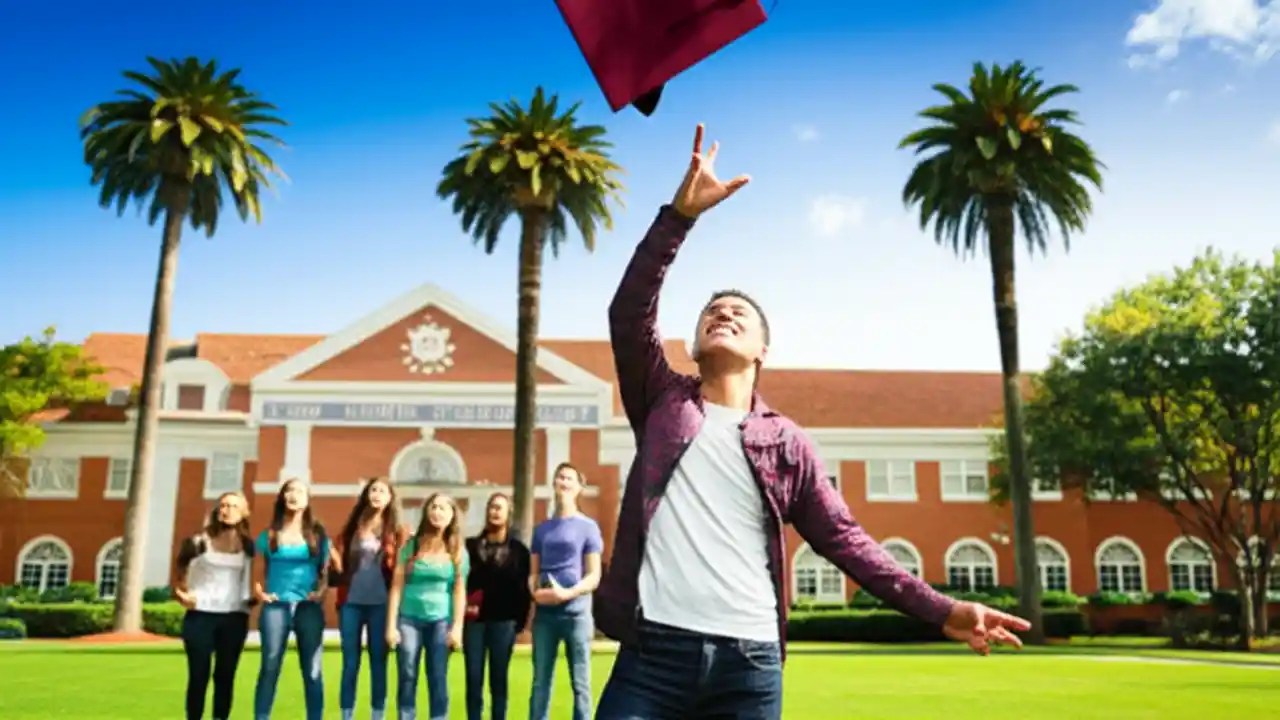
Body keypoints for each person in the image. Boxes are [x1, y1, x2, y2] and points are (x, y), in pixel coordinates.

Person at [592, 124, 1033, 719]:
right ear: (692, 344)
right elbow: (628, 310)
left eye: (739, 313)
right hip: (651, 656)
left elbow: (849, 544)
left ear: (762, 351)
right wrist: (679, 218)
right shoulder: (662, 402)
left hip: (747, 664)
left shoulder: (786, 444)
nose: (723, 312)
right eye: (712, 312)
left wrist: (945, 610)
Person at [527, 462, 603, 720]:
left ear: (579, 488)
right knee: (540, 683)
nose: (564, 482)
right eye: (560, 477)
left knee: (581, 684)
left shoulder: (588, 527)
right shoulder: (542, 529)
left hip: (576, 614)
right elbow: (534, 572)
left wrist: (567, 594)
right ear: (554, 484)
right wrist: (535, 591)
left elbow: (593, 576)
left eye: (570, 478)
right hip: (545, 616)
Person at [329, 476, 408, 720]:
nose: (376, 494)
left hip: (381, 605)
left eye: (382, 491)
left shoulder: (397, 531)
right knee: (350, 663)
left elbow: (402, 569)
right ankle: (347, 714)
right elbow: (339, 564)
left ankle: (377, 714)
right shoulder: (352, 528)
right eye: (373, 490)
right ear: (366, 494)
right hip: (351, 602)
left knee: (378, 662)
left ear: (390, 498)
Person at [252, 478, 330, 720]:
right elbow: (257, 571)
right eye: (289, 491)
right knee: (270, 665)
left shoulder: (318, 535)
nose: (293, 495)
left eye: (299, 491)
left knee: (312, 669)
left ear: (307, 500)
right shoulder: (269, 535)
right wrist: (260, 593)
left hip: (308, 607)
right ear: (282, 498)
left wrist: (321, 592)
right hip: (277, 607)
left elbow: (326, 572)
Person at [386, 492, 468, 720]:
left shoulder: (457, 550)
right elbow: (396, 587)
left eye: (443, 508)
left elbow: (459, 591)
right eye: (434, 506)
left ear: (452, 516)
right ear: (426, 511)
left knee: (438, 676)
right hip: (409, 619)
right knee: (407, 673)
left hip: (441, 621)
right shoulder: (411, 547)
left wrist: (458, 627)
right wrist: (391, 626)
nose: (437, 512)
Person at [173, 491, 255, 720]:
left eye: (233, 506)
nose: (227, 510)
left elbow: (252, 580)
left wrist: (256, 597)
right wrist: (182, 595)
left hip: (234, 617)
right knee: (199, 676)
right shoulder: (198, 542)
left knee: (225, 676)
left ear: (244, 513)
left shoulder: (248, 547)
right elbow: (179, 575)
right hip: (201, 615)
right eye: (223, 506)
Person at [462, 492, 532, 720]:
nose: (494, 511)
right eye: (491, 506)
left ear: (508, 514)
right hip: (474, 622)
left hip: (504, 622)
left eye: (499, 508)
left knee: (498, 680)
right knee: (473, 679)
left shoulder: (519, 551)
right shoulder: (470, 547)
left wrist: (520, 623)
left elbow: (524, 589)